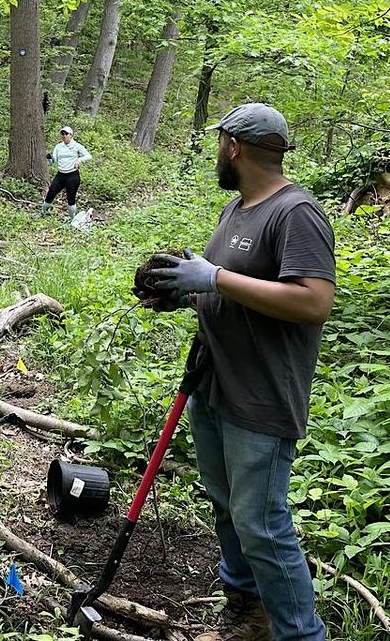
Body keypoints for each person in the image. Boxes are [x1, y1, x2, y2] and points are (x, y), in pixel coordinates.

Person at [146, 103, 335, 641]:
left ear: (233, 147)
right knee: (228, 508)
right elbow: (231, 290)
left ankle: (301, 634)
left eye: (218, 145)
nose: (216, 154)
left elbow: (313, 302)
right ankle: (249, 615)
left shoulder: (296, 213)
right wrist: (184, 293)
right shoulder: (237, 211)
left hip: (261, 396)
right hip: (215, 387)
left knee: (262, 525)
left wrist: (216, 279)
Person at [41, 126, 92, 220]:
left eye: (66, 134)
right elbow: (54, 160)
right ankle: (42, 213)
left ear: (71, 135)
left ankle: (72, 219)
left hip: (72, 176)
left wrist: (79, 160)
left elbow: (88, 156)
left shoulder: (76, 146)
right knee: (50, 193)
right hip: (60, 175)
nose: (64, 136)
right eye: (62, 134)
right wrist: (50, 158)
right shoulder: (58, 146)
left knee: (71, 198)